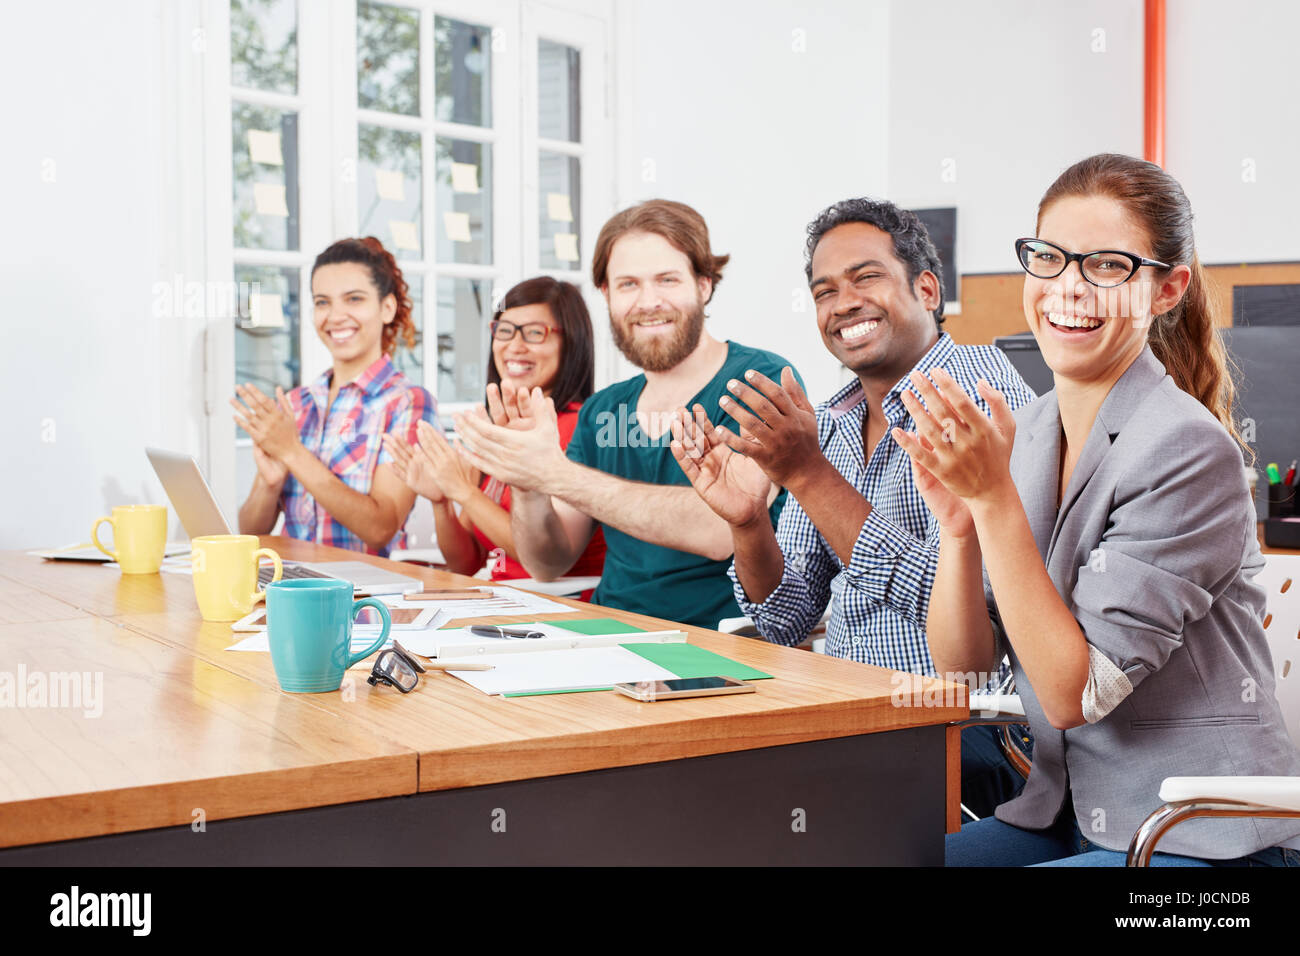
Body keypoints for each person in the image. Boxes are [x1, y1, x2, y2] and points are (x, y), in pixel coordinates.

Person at [892, 153, 1300, 866]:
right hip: (1063, 811)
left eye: (1107, 266)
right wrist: (961, 531)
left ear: (1167, 289)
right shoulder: (1030, 433)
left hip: (1197, 835)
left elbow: (1074, 695)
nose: (1067, 288)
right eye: (1048, 258)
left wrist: (993, 502)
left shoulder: (1185, 449)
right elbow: (963, 669)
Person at [667, 198, 1036, 817]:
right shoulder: (835, 422)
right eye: (824, 291)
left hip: (966, 728)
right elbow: (785, 618)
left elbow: (990, 620)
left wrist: (808, 477)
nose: (843, 304)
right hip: (848, 714)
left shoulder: (979, 395)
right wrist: (749, 522)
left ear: (925, 288)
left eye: (866, 278)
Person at [453, 199, 799, 629]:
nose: (648, 301)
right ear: (607, 295)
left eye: (667, 280)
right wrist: (527, 483)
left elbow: (717, 529)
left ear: (704, 285)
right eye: (629, 284)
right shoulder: (604, 408)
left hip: (718, 646)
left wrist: (554, 475)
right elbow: (548, 562)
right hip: (602, 635)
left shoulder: (758, 380)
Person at [381, 277, 606, 583]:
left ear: (572, 342)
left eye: (535, 333)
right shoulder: (500, 429)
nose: (514, 346)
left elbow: (542, 557)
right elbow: (466, 564)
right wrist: (441, 501)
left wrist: (464, 491)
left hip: (565, 606)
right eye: (504, 331)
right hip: (505, 602)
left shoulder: (581, 428)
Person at [233, 237, 436, 557]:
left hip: (363, 599)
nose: (335, 315)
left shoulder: (407, 402)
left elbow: (381, 528)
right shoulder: (297, 403)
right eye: (323, 302)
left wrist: (292, 452)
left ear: (387, 308)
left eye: (354, 299)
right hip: (290, 589)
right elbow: (250, 532)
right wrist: (269, 484)